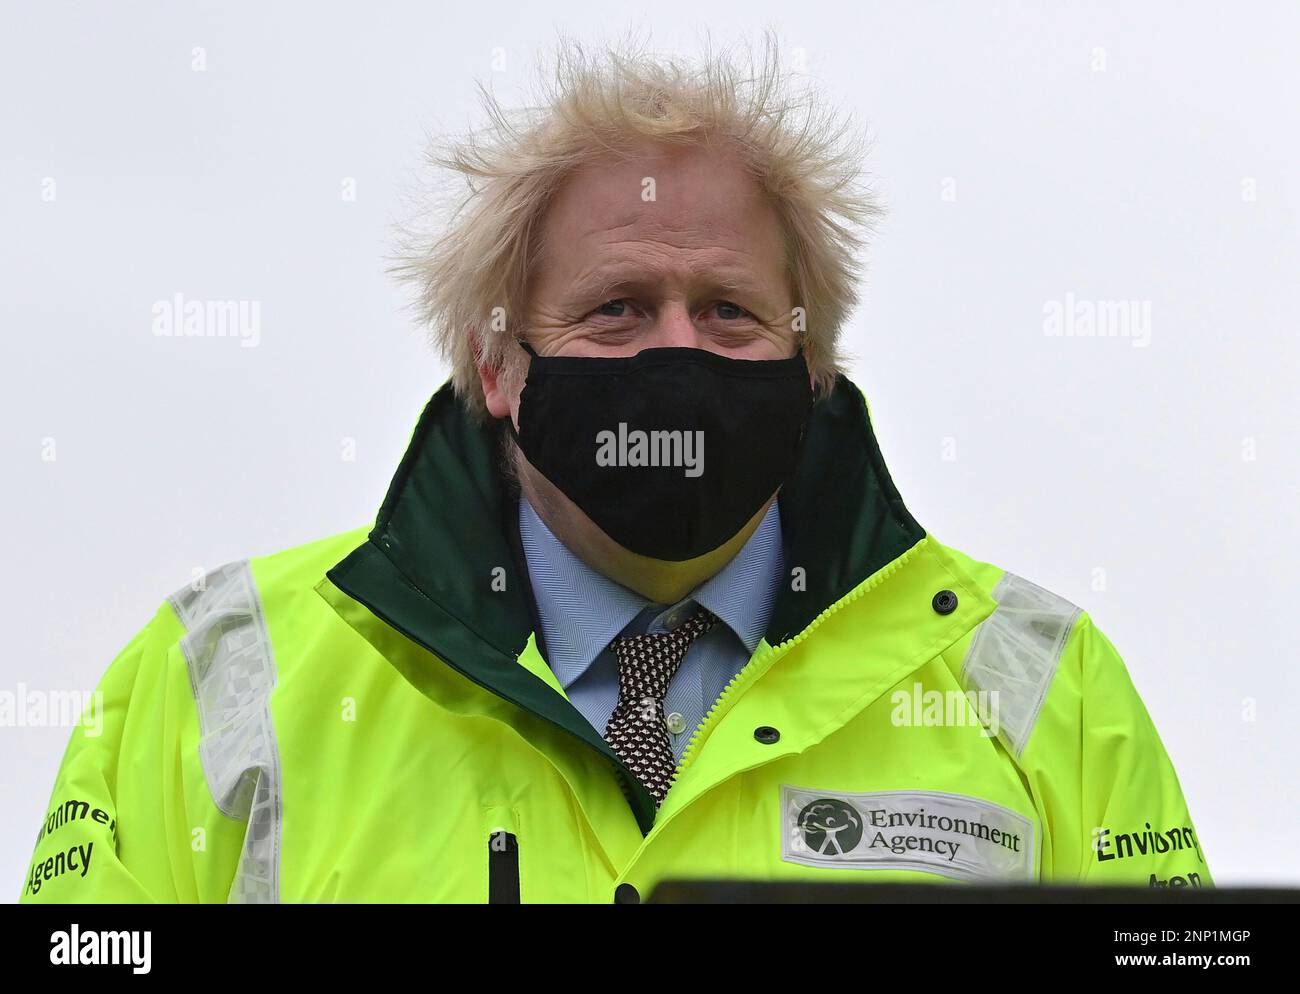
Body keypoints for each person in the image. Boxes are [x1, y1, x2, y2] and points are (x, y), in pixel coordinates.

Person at [21, 37, 1210, 904]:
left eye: (733, 313)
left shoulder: (1040, 686)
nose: (680, 353)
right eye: (617, 310)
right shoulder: (222, 678)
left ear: (811, 366)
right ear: (497, 363)